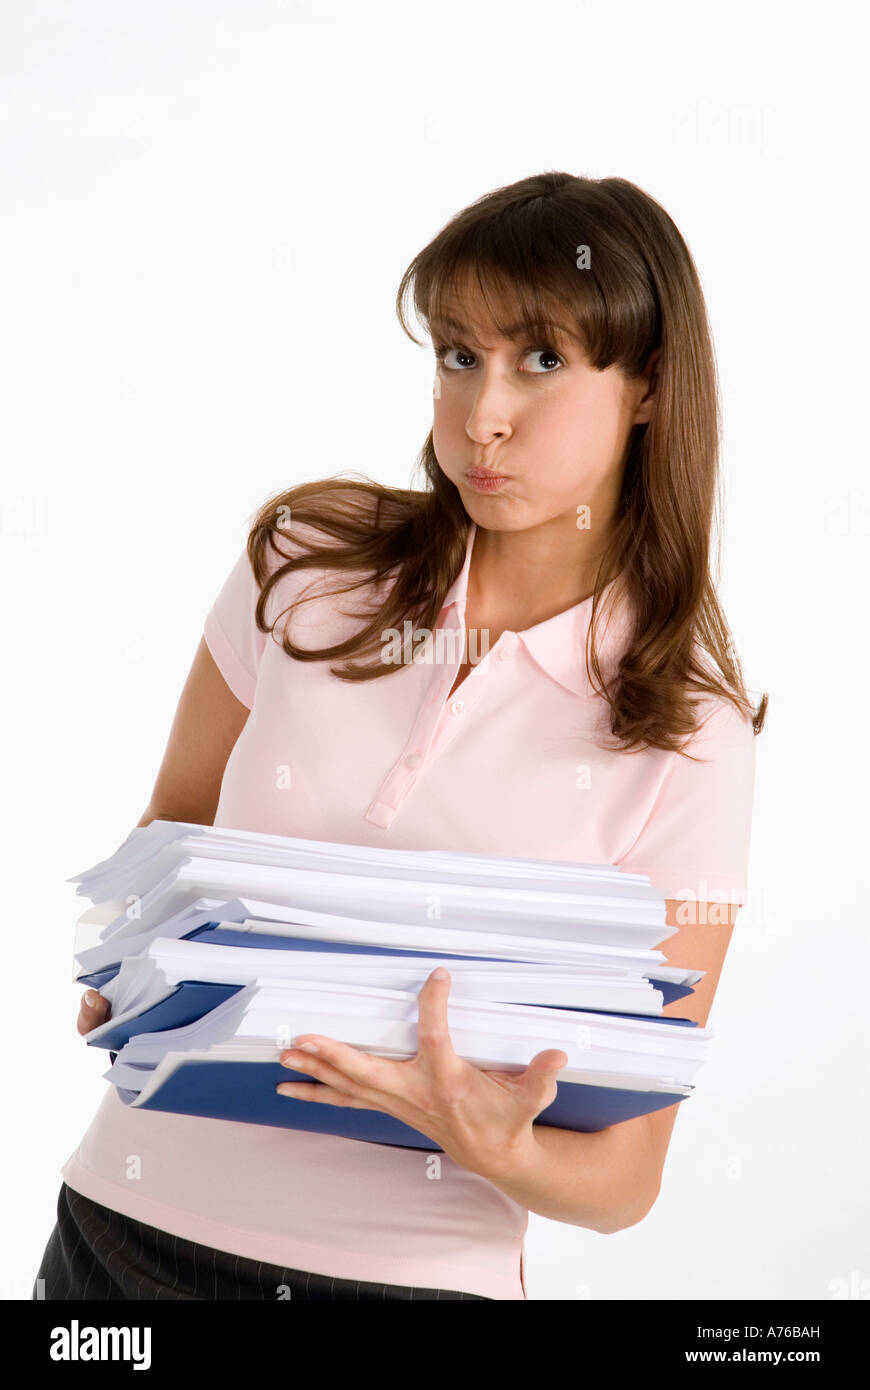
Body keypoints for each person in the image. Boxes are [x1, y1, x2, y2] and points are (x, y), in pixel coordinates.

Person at [33, 170, 765, 1302]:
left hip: (403, 1279)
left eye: (544, 360)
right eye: (457, 355)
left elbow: (626, 1178)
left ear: (650, 390)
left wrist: (493, 1142)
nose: (484, 415)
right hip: (124, 1231)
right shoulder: (305, 560)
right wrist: (134, 967)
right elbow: (173, 824)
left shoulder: (689, 725)